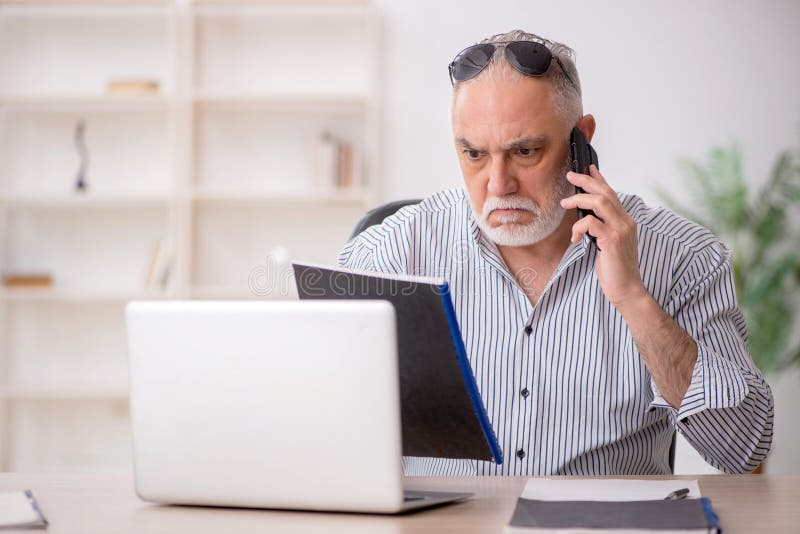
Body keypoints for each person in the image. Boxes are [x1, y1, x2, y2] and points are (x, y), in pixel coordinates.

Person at [338, 29, 773, 476]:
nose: (497, 184)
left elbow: (742, 450)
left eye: (524, 151)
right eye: (473, 154)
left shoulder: (684, 258)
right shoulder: (391, 251)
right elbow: (327, 423)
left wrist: (634, 301)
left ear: (581, 141)